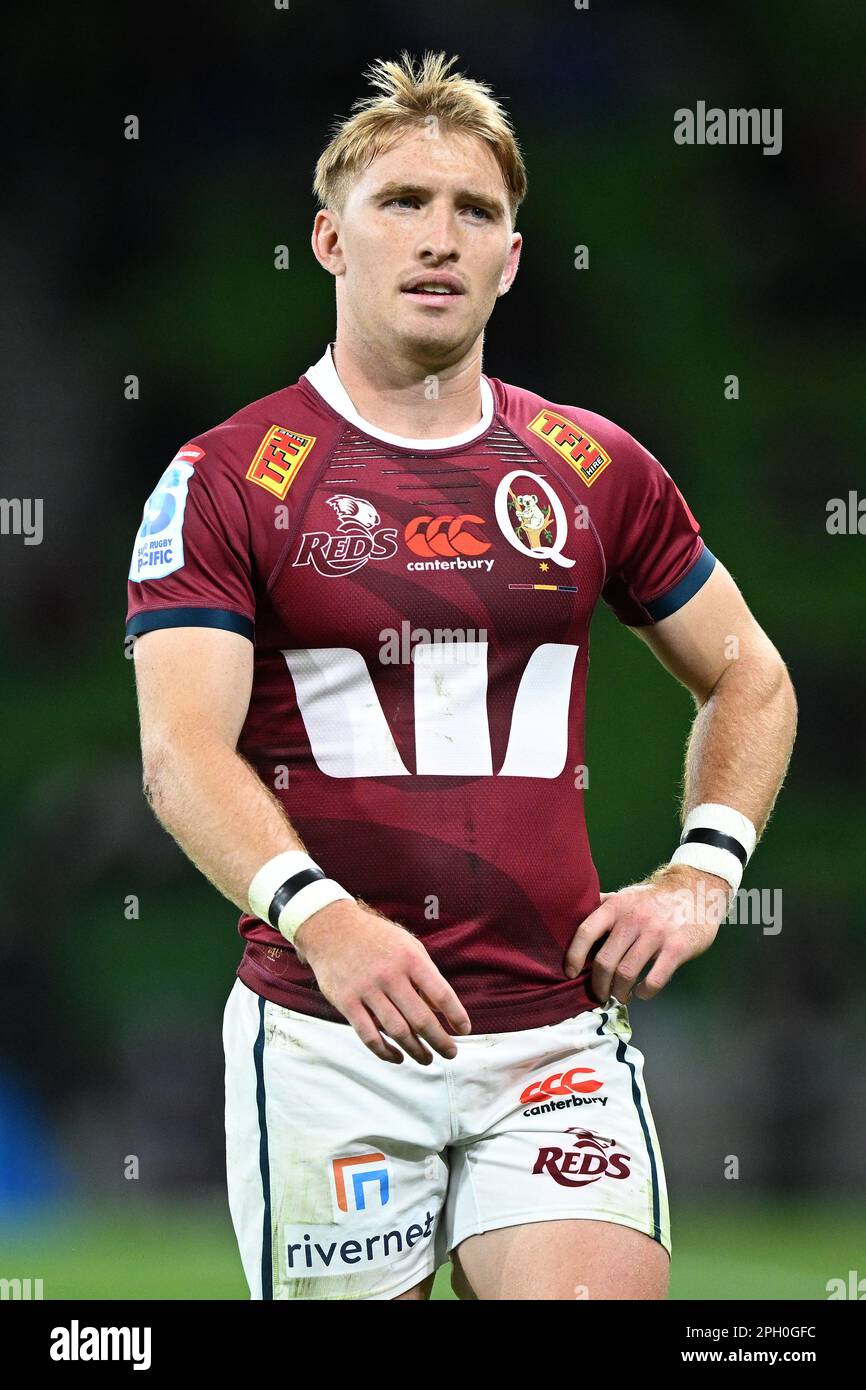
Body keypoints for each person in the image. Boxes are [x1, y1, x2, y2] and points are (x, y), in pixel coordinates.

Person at [125, 51, 797, 1301]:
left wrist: (700, 875)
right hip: (327, 1039)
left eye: (474, 212)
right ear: (329, 239)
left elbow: (749, 676)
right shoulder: (226, 475)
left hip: (553, 1030)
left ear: (512, 258)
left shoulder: (591, 467)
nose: (439, 238)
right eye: (401, 203)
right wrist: (323, 921)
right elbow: (179, 754)